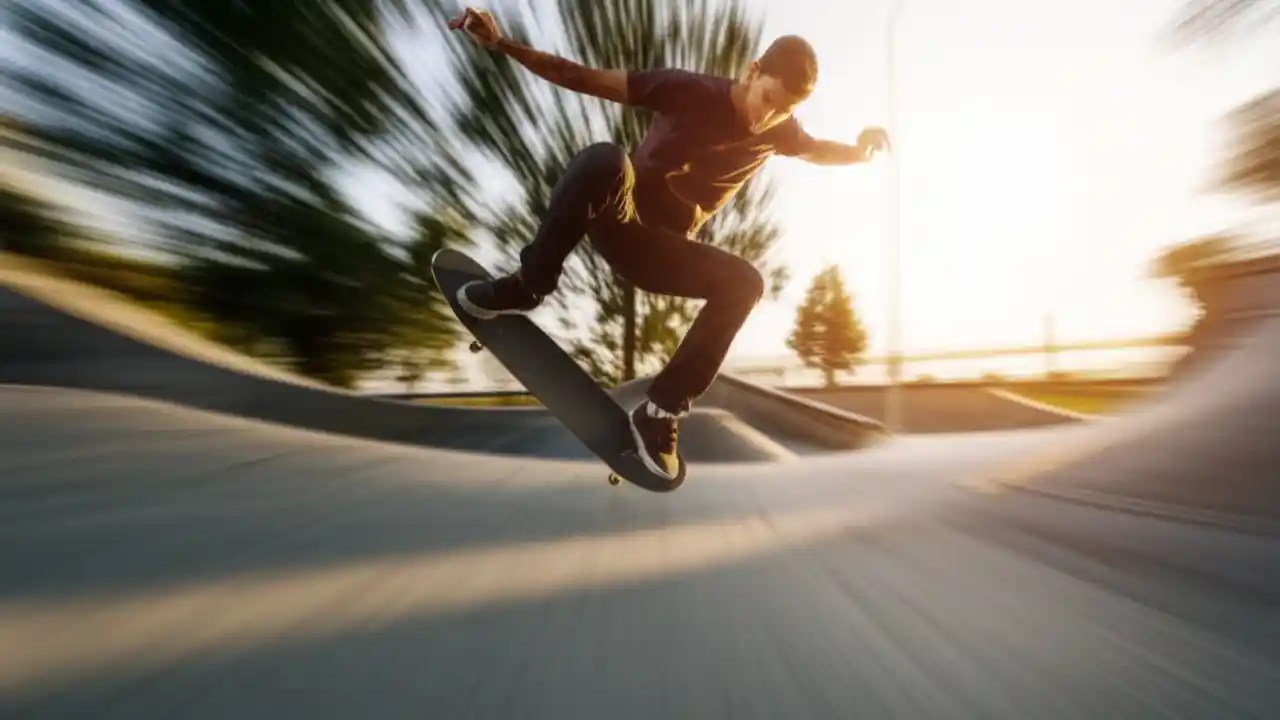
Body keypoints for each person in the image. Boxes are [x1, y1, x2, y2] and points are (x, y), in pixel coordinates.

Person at [449, 7, 890, 479]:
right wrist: (502, 44)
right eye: (767, 99)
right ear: (752, 71)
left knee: (746, 283)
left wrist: (860, 153)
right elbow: (581, 77)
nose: (769, 117)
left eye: (783, 109)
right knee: (606, 160)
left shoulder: (779, 130)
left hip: (664, 254)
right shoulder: (686, 89)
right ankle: (526, 286)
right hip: (620, 219)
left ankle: (660, 413)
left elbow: (818, 149)